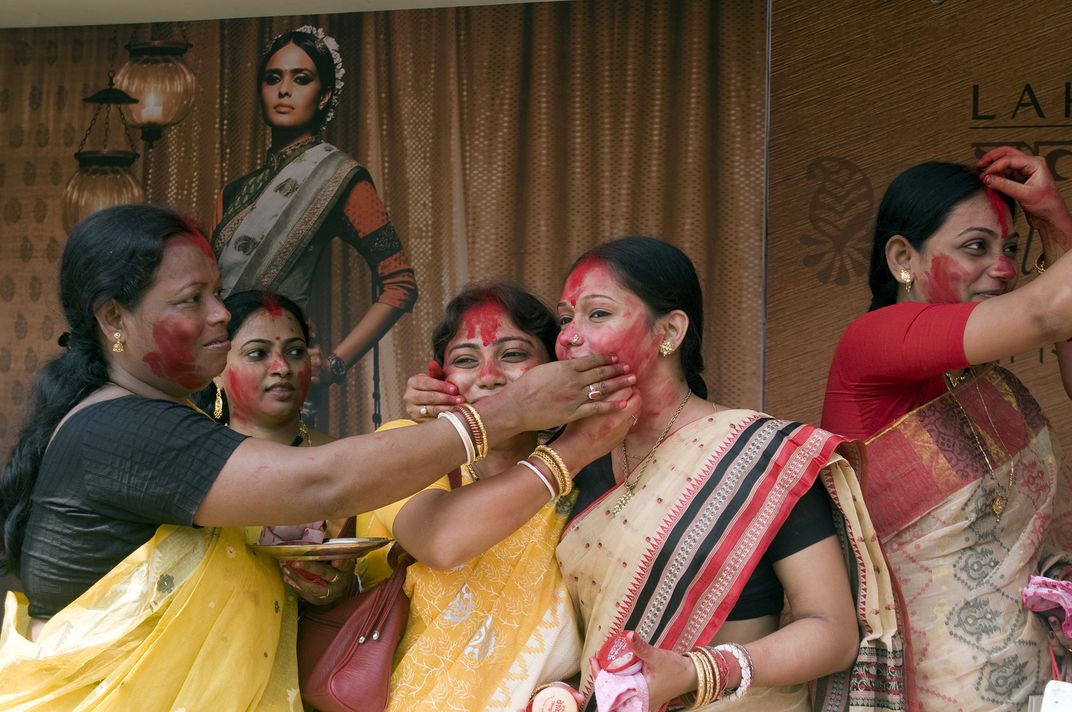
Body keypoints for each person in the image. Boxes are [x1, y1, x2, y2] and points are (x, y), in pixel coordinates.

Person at [0, 204, 630, 710]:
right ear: (114, 319)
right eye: (192, 300)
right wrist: (509, 416)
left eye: (217, 292)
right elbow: (325, 484)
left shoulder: (164, 420)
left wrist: (304, 583)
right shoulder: (122, 430)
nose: (222, 313)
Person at [406, 238, 906, 711]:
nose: (570, 336)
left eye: (596, 313)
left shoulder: (762, 456)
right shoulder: (569, 458)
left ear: (669, 332)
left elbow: (833, 632)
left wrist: (696, 672)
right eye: (564, 320)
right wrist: (442, 412)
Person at [822, 147, 1072, 710]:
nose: (1005, 268)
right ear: (903, 257)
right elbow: (1047, 311)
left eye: (1010, 247)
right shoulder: (872, 344)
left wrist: (1055, 227)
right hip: (930, 687)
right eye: (976, 247)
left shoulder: (988, 383)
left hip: (1036, 675)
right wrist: (1056, 219)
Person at [358, 282, 638, 712]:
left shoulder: (597, 473)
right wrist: (567, 455)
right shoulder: (404, 448)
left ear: (557, 366)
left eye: (512, 354)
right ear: (440, 379)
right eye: (466, 361)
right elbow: (440, 541)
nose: (489, 376)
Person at [211, 26, 417, 387]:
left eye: (300, 79)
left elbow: (400, 283)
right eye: (273, 78)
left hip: (280, 372)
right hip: (218, 369)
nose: (284, 90)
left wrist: (335, 363)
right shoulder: (233, 193)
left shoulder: (340, 179)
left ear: (323, 96)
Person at [194, 289, 351, 602]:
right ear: (216, 369)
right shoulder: (194, 461)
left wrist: (342, 586)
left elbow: (378, 574)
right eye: (258, 353)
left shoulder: (341, 458)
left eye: (295, 352)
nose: (282, 367)